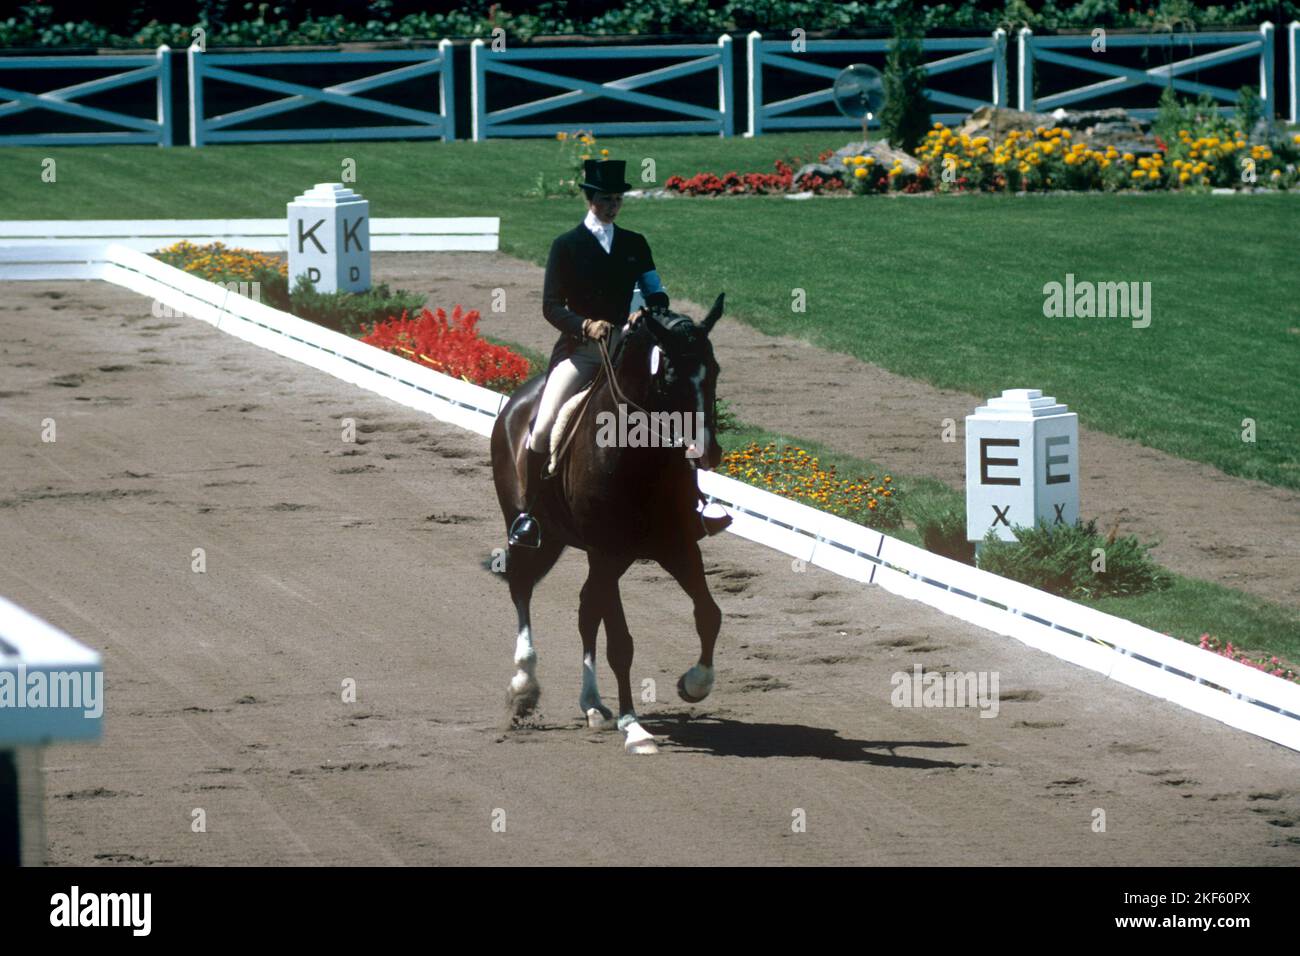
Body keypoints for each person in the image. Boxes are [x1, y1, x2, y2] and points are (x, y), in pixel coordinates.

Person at [508, 158, 730, 548]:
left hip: (628, 349)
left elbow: (655, 290)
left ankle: (695, 502)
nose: (612, 206)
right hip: (582, 353)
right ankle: (531, 513)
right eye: (605, 199)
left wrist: (650, 308)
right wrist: (584, 325)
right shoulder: (566, 246)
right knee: (543, 427)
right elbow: (550, 306)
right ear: (590, 199)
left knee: (674, 411)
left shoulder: (634, 243)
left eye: (617, 200)